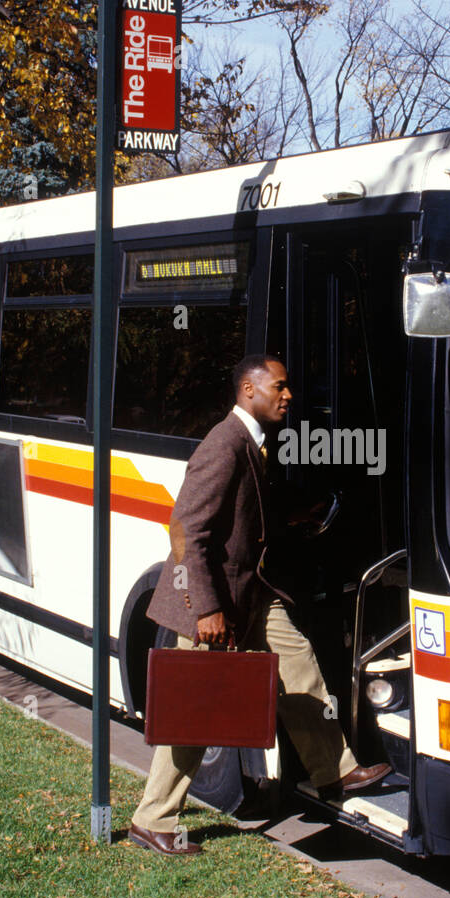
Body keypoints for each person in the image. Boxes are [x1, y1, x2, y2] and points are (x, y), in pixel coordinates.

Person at [129, 354, 390, 856]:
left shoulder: (252, 444)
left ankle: (334, 772)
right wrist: (206, 609)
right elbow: (185, 528)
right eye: (280, 387)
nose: (288, 395)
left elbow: (245, 514)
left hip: (250, 594)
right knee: (195, 713)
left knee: (297, 664)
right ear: (249, 390)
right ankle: (152, 819)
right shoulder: (224, 444)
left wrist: (297, 514)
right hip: (213, 603)